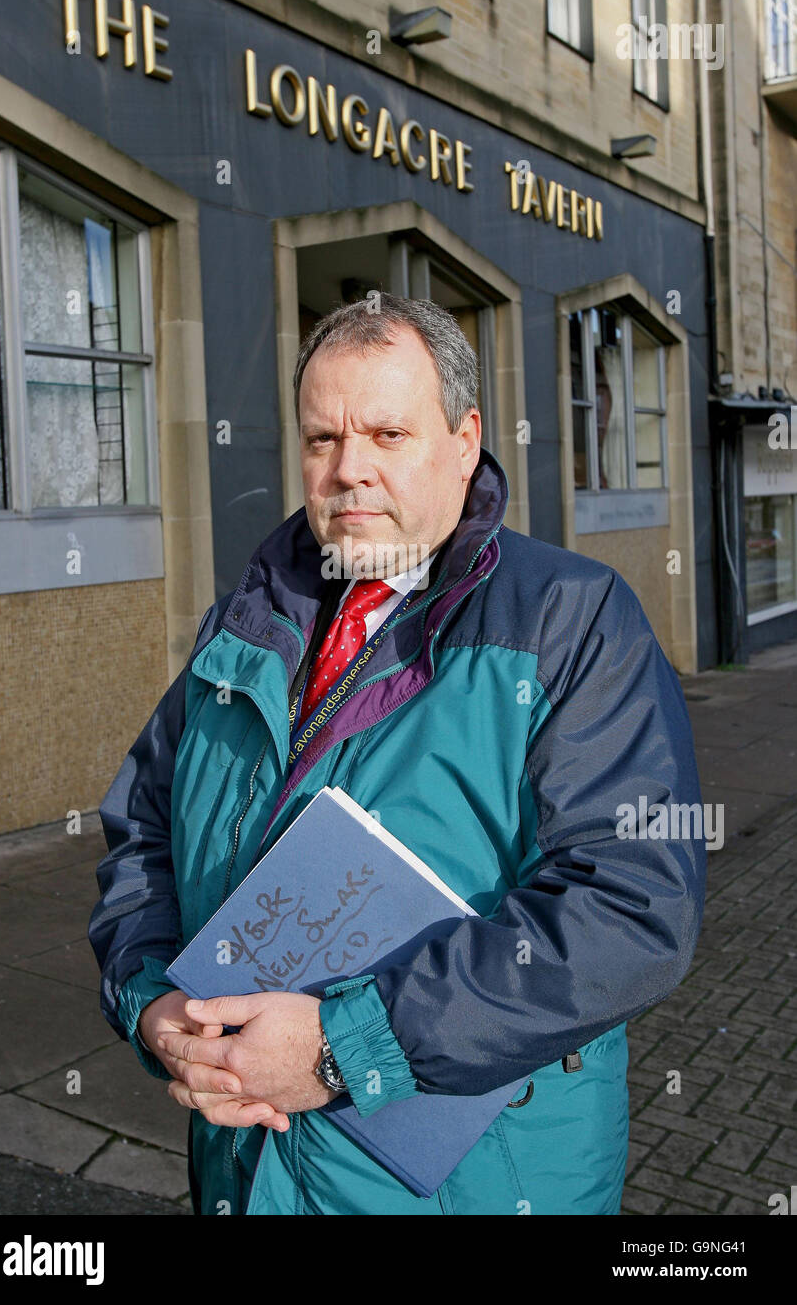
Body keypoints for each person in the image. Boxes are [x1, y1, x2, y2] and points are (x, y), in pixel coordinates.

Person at [89, 293, 706, 1216]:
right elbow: (141, 832)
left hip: (472, 1183)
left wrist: (346, 1046)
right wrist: (150, 997)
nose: (349, 472)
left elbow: (633, 908)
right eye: (321, 440)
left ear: (464, 440)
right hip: (250, 1168)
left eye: (387, 434)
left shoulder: (571, 619)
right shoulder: (240, 626)